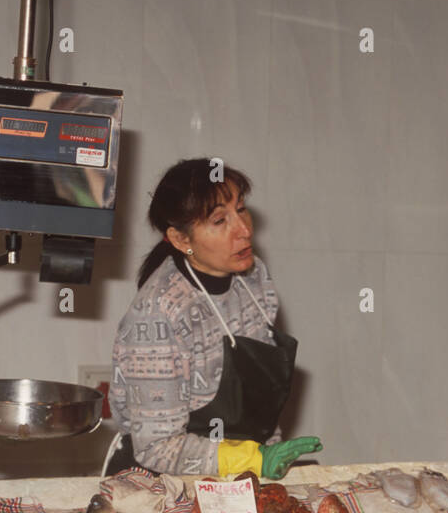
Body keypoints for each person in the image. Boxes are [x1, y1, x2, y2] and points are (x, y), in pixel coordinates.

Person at [106, 158, 322, 478]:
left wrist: (270, 457)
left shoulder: (252, 276)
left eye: (242, 209)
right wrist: (253, 459)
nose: (245, 230)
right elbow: (157, 448)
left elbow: (255, 395)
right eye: (220, 220)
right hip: (163, 484)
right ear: (181, 240)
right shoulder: (156, 317)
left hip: (240, 474)